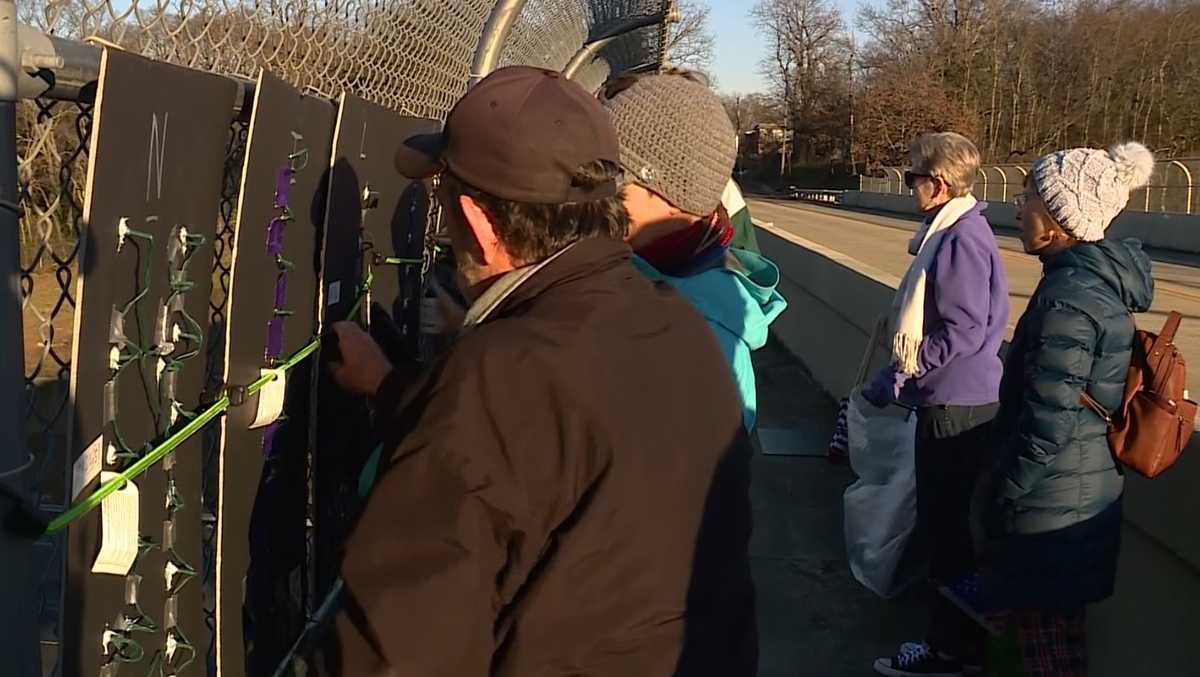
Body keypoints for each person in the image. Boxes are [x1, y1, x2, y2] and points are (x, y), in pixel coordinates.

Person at [323, 65, 757, 676]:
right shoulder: (681, 328)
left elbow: (398, 653)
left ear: (475, 222)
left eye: (444, 211)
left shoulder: (499, 376)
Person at [980, 142, 1155, 677]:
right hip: (1077, 497)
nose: (1017, 204)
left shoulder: (1069, 298)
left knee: (1046, 654)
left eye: (1030, 195)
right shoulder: (1093, 283)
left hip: (1049, 508)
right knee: (1052, 644)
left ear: (1058, 221)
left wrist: (998, 492)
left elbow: (1046, 425)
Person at [864, 132, 1009, 677]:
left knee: (947, 535)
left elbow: (965, 330)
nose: (908, 189)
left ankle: (951, 651)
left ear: (938, 183)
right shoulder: (957, 230)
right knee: (949, 531)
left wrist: (907, 367)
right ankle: (957, 644)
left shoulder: (959, 240)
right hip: (958, 398)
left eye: (911, 178)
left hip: (957, 406)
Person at [602, 70, 787, 432]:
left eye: (616, 182)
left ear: (669, 194)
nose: (598, 197)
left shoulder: (697, 344)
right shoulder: (674, 287)